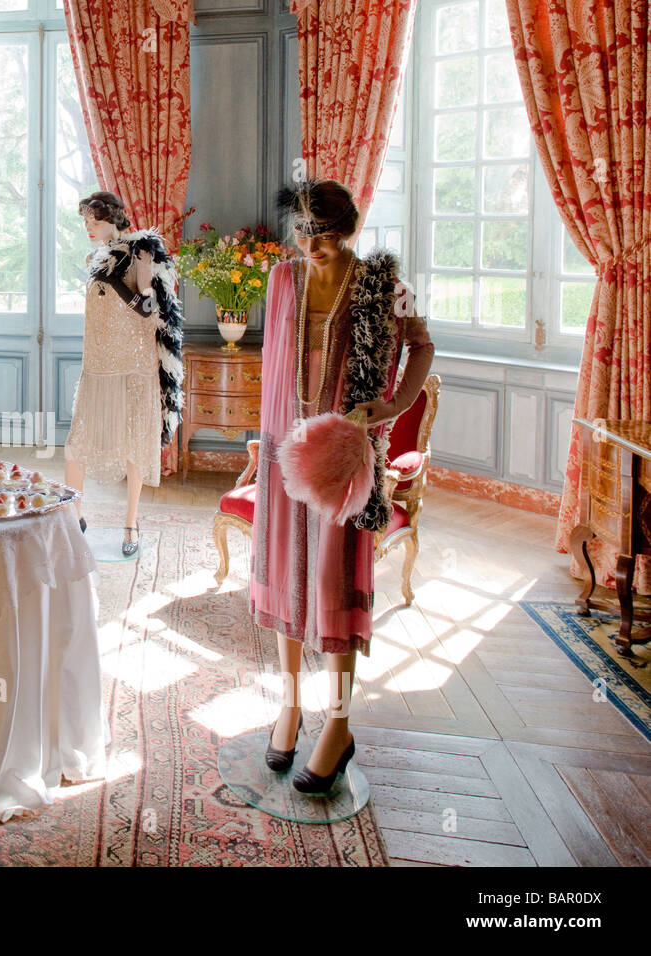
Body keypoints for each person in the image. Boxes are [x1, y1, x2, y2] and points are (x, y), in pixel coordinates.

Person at [253, 179, 434, 793]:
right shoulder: (283, 280)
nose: (310, 245)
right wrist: (265, 448)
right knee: (285, 573)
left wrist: (394, 406)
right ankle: (290, 702)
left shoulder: (385, 286)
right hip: (286, 449)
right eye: (301, 232)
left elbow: (422, 346)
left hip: (344, 459)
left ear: (349, 229)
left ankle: (338, 722)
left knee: (332, 582)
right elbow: (273, 363)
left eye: (323, 235)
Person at [64, 191, 185, 556]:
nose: (88, 226)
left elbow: (149, 307)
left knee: (134, 445)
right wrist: (103, 273)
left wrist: (115, 280)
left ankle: (131, 524)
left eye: (94, 221)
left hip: (134, 365)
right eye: (85, 221)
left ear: (113, 219)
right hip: (98, 363)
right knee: (78, 442)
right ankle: (74, 516)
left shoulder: (142, 252)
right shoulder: (94, 257)